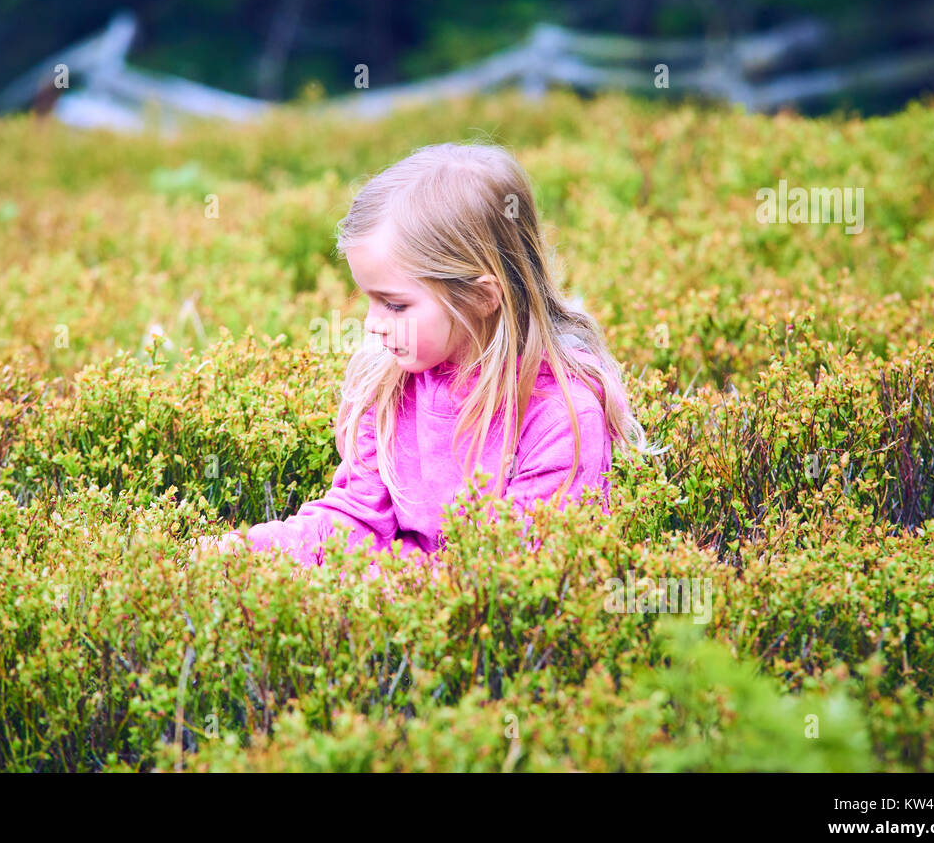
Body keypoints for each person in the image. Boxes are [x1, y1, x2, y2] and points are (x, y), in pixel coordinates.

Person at [191, 141, 661, 583]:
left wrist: (376, 586)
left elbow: (518, 573)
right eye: (368, 300)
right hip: (399, 607)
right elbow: (356, 518)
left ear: (481, 296)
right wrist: (247, 551)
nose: (373, 325)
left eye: (394, 305)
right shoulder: (394, 384)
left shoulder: (560, 414)